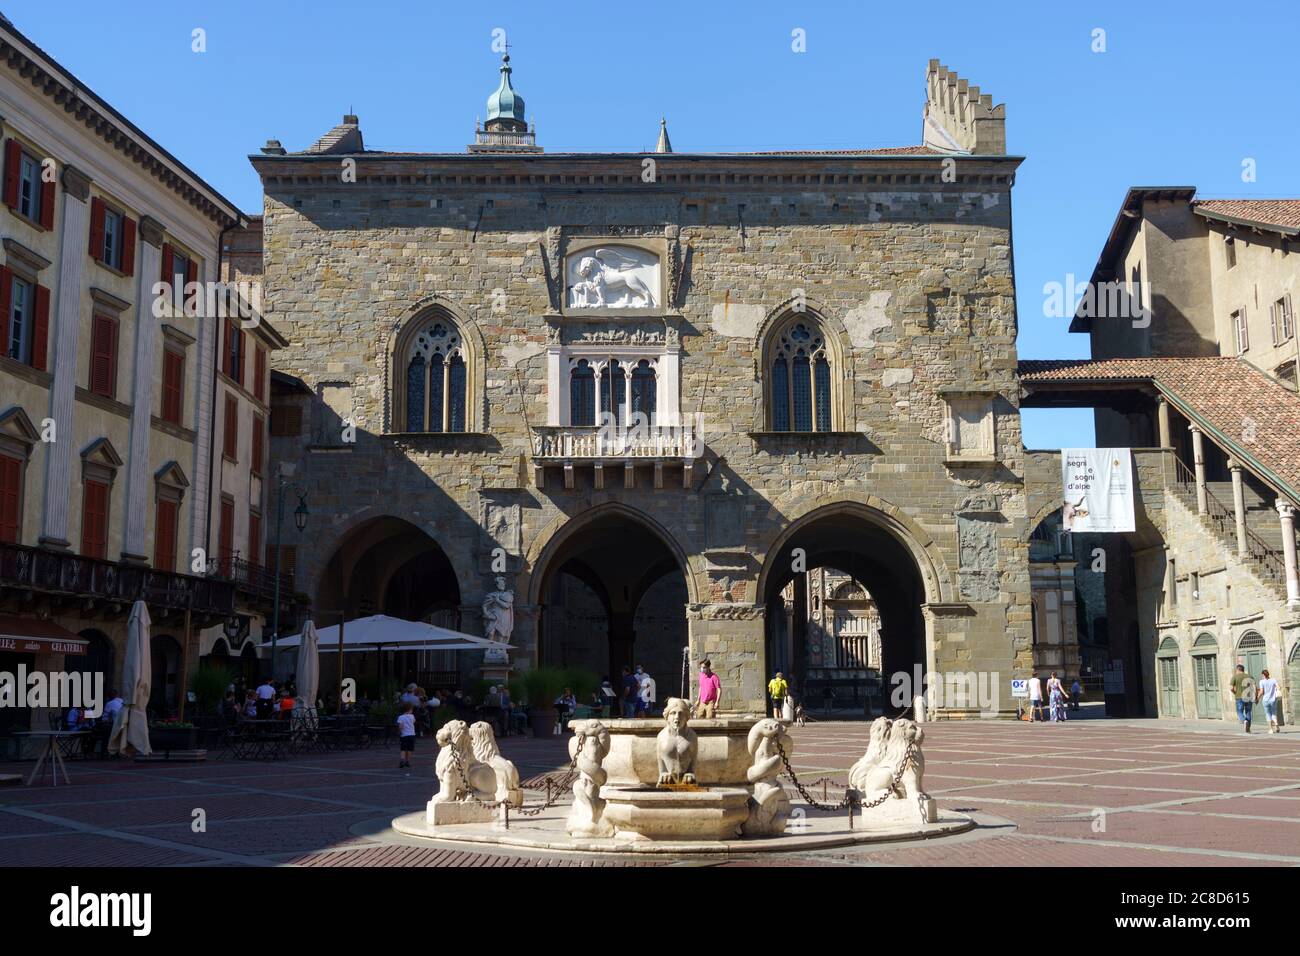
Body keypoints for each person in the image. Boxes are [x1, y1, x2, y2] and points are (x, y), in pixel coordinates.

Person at [1231, 664, 1256, 733]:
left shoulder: (1235, 677)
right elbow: (1254, 687)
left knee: (1239, 711)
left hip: (1239, 697)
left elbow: (1231, 688)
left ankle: (1244, 720)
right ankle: (1248, 729)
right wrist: (1255, 697)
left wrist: (1235, 692)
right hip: (1248, 697)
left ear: (1238, 669)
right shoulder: (1249, 676)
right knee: (1248, 712)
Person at [1257, 669, 1281, 734]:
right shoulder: (1273, 680)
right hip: (1273, 700)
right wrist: (1275, 690)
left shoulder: (1261, 682)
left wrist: (1257, 698)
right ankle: (1277, 725)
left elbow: (1261, 692)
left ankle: (1270, 729)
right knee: (1274, 713)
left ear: (1263, 675)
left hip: (1265, 700)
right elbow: (1278, 687)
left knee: (1268, 714)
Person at [396, 703, 416, 769]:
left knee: (403, 749)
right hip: (411, 734)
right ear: (410, 710)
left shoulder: (400, 717)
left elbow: (400, 726)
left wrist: (399, 732)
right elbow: (413, 722)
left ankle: (402, 759)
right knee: (409, 749)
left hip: (404, 735)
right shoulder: (412, 716)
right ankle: (408, 761)